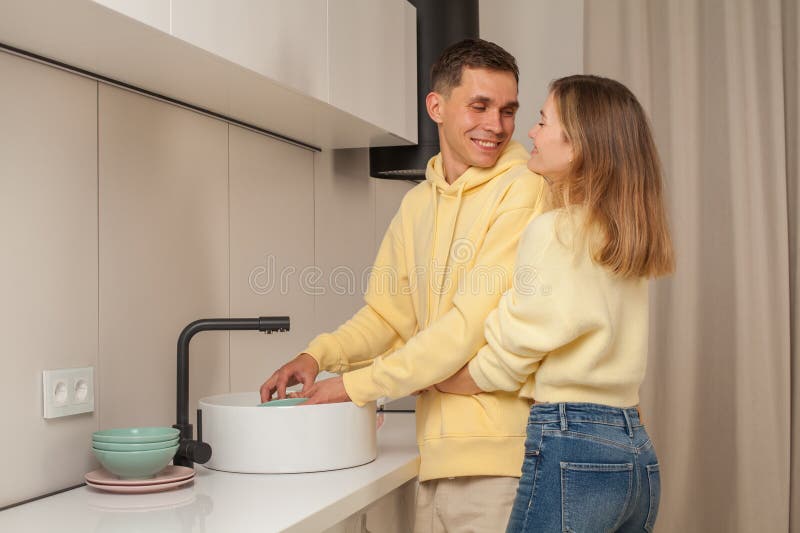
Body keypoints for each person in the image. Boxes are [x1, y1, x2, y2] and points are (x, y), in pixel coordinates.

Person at [260, 39, 547, 531]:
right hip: (435, 460)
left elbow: (467, 328)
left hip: (503, 466)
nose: (497, 126)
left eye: (508, 111)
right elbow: (386, 316)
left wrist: (352, 387)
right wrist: (317, 355)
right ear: (436, 106)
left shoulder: (524, 189)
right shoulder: (417, 204)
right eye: (479, 106)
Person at [436, 74, 675, 532]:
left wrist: (445, 380)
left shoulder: (554, 231)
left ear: (577, 146)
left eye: (543, 122)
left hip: (573, 442)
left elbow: (515, 346)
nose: (530, 131)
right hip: (635, 449)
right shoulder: (623, 239)